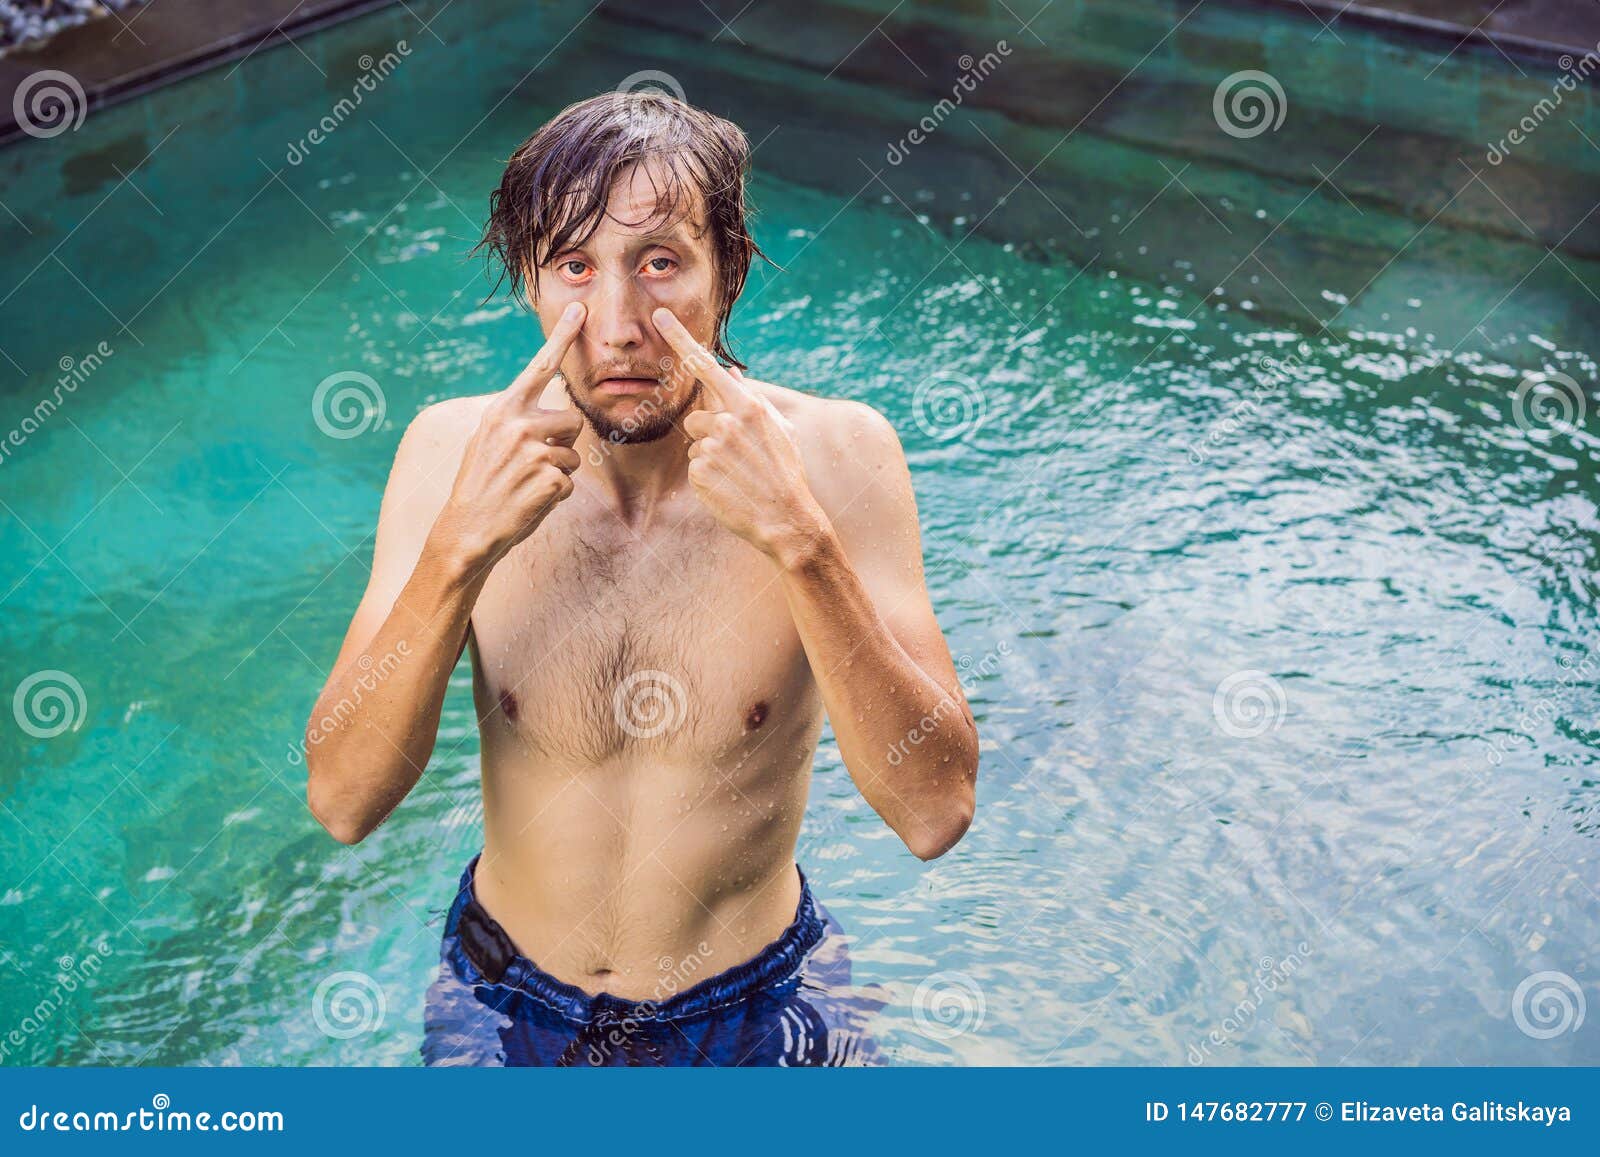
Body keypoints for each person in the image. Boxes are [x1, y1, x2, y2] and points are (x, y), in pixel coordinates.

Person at [304, 90, 978, 1065]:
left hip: (754, 1002)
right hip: (506, 996)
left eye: (659, 262)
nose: (618, 325)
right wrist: (457, 555)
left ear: (727, 273)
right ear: (529, 284)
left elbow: (934, 812)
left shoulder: (839, 459)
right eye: (574, 266)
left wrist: (803, 545)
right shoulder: (449, 454)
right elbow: (343, 800)